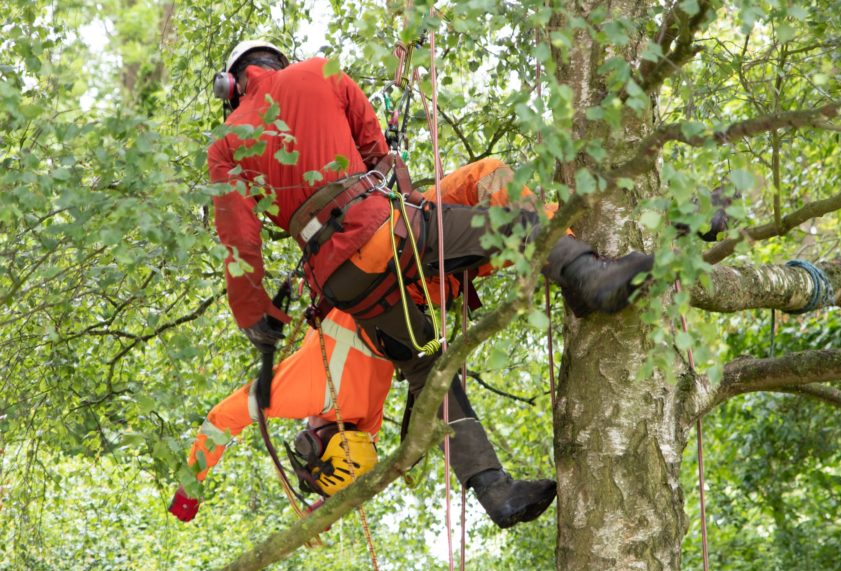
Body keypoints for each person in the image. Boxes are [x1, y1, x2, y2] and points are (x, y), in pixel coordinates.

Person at [206, 40, 654, 528]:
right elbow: (375, 150)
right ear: (276, 64)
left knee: (428, 373)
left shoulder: (227, 144)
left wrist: (254, 315)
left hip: (342, 284)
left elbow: (238, 240)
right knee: (516, 223)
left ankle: (493, 491)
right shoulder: (318, 72)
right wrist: (404, 198)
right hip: (380, 234)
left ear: (233, 87)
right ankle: (586, 278)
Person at [168, 307, 395, 521]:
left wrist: (328, 507)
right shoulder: (314, 391)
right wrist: (191, 482)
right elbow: (222, 419)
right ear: (315, 443)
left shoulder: (366, 417)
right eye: (309, 451)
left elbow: (359, 460)